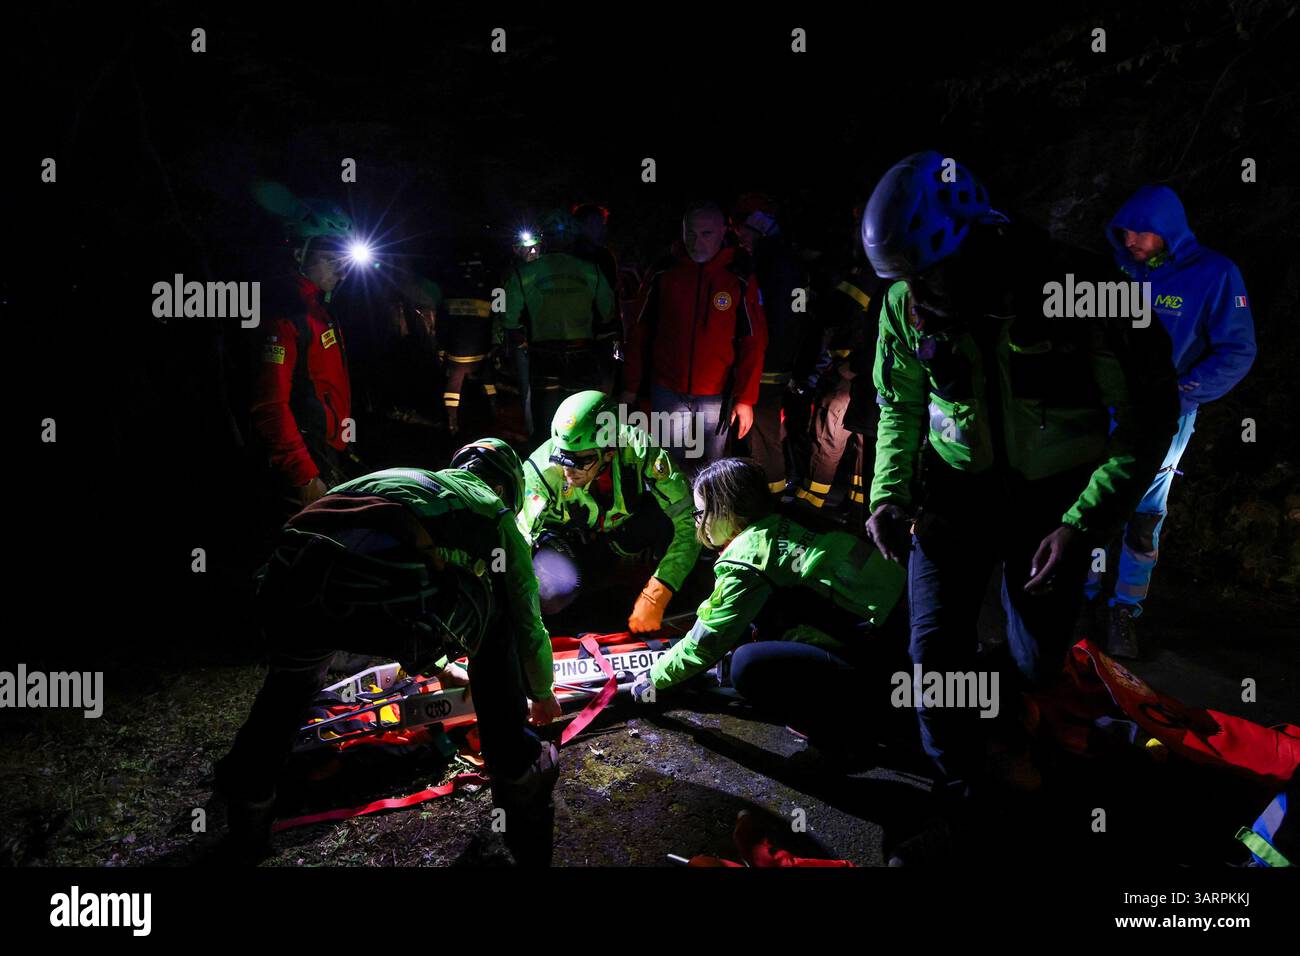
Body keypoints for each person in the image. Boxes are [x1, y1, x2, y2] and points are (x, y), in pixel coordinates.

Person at [861, 151, 1181, 858]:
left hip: (1055, 506)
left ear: (974, 236)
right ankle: (965, 802)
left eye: (931, 274)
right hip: (954, 496)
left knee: (1038, 659)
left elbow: (1152, 415)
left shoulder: (1084, 288)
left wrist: (1084, 521)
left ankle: (1030, 738)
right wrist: (888, 494)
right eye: (909, 278)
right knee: (933, 664)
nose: (922, 295)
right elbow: (901, 405)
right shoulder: (904, 301)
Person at [209, 439, 563, 865]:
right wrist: (542, 692)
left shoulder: (401, 477)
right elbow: (526, 614)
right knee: (497, 616)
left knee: (291, 686)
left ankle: (249, 805)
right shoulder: (492, 510)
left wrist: (442, 668)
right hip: (376, 593)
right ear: (509, 488)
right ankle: (517, 769)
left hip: (291, 576)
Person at [631, 458, 905, 758]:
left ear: (726, 512)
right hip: (901, 637)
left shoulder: (749, 554)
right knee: (760, 619)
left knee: (747, 665)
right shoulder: (790, 515)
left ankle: (843, 738)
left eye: (700, 513)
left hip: (883, 662)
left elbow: (707, 641)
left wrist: (652, 681)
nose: (698, 523)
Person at [1084, 185, 1257, 658]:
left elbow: (1237, 350)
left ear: (1168, 231)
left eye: (1140, 231)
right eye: (1124, 230)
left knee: (1142, 516)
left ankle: (1125, 609)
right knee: (1092, 504)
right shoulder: (1117, 271)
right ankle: (1082, 598)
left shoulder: (1214, 274)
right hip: (1103, 414)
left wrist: (1182, 393)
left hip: (1164, 422)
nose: (1130, 238)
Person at [518, 391, 701, 633]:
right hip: (566, 541)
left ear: (610, 452)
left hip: (618, 534)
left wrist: (660, 590)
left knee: (669, 522)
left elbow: (688, 517)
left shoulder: (638, 449)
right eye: (562, 456)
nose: (567, 470)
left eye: (579, 461)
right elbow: (516, 540)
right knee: (557, 586)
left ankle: (628, 574)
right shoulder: (540, 471)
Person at [622, 201, 768, 471]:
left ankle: (705, 513)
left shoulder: (739, 275)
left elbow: (754, 340)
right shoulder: (663, 271)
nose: (695, 241)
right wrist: (630, 386)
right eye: (690, 232)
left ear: (724, 231)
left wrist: (746, 398)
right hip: (667, 389)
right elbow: (639, 330)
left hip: (716, 394)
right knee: (667, 466)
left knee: (711, 469)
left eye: (706, 233)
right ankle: (670, 513)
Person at [251, 198, 363, 510]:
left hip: (325, 448)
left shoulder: (320, 307)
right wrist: (304, 475)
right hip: (304, 457)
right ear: (300, 253)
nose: (342, 271)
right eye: (331, 259)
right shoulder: (285, 315)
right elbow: (269, 404)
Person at [501, 209, 618, 443]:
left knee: (545, 425)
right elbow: (608, 312)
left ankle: (545, 470)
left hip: (543, 354)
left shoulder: (524, 273)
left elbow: (509, 317)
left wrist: (516, 335)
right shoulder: (591, 270)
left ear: (545, 240)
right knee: (582, 421)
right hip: (582, 352)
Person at [732, 193, 809, 496]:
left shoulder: (765, 265)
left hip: (764, 365)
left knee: (762, 438)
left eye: (746, 238)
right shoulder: (790, 264)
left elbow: (761, 318)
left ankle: (769, 501)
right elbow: (797, 319)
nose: (743, 244)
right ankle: (769, 497)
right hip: (778, 363)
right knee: (766, 435)